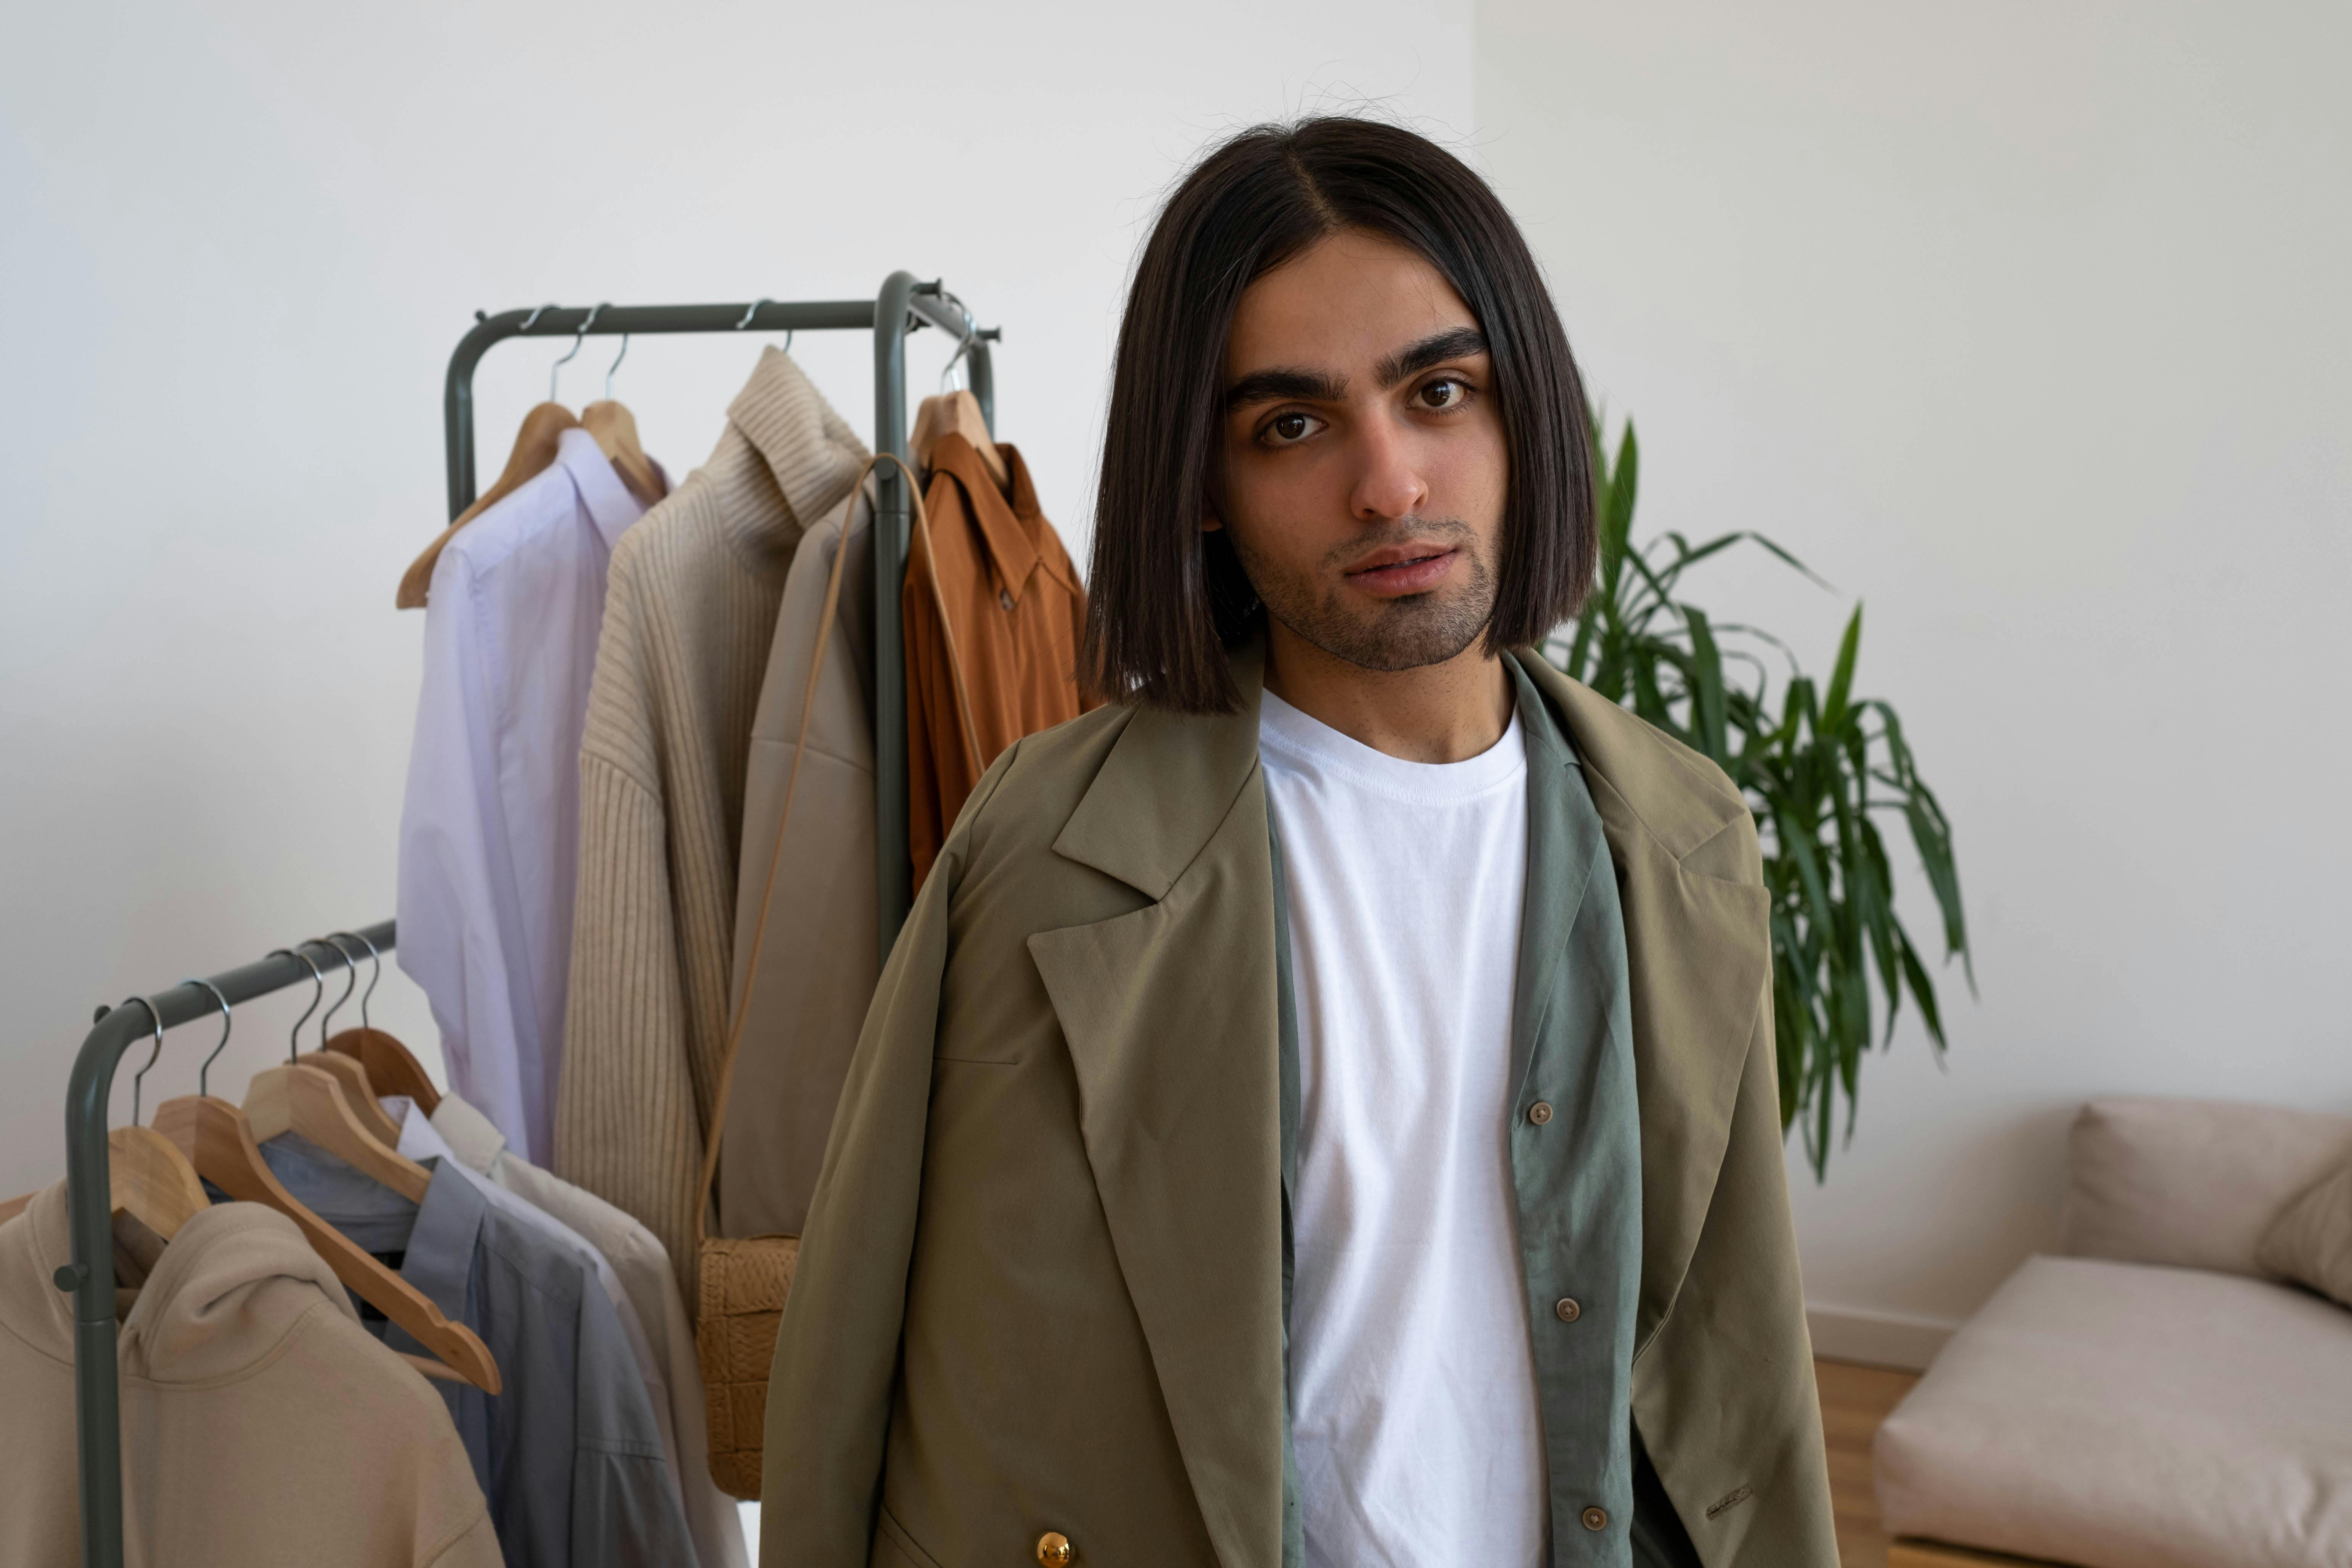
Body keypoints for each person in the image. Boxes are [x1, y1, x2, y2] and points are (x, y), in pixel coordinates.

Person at [759, 116, 1836, 1568]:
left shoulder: (1682, 835)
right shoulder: (1045, 847)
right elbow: (852, 1355)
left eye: (1439, 391)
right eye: (1293, 424)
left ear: (1525, 415)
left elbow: (1739, 1365)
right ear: (1200, 485)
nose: (1389, 485)